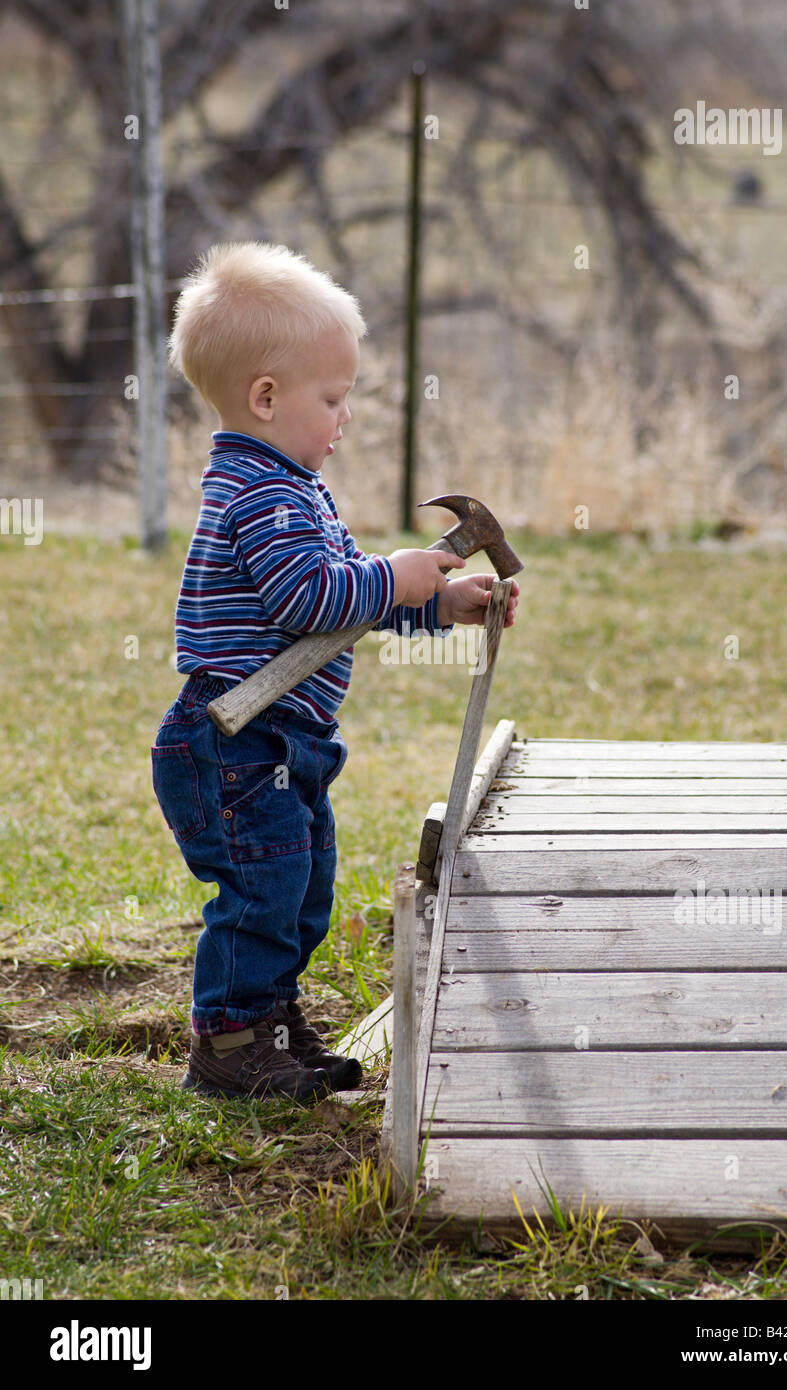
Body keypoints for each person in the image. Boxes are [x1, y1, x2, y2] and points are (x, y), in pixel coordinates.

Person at [150, 242, 518, 1100]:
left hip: (283, 741)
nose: (344, 417)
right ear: (266, 397)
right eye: (333, 399)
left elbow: (343, 606)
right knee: (262, 892)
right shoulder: (259, 496)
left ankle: (271, 1026)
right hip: (235, 740)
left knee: (300, 892)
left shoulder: (292, 486)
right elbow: (313, 599)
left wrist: (439, 601)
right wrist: (395, 572)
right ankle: (230, 1049)